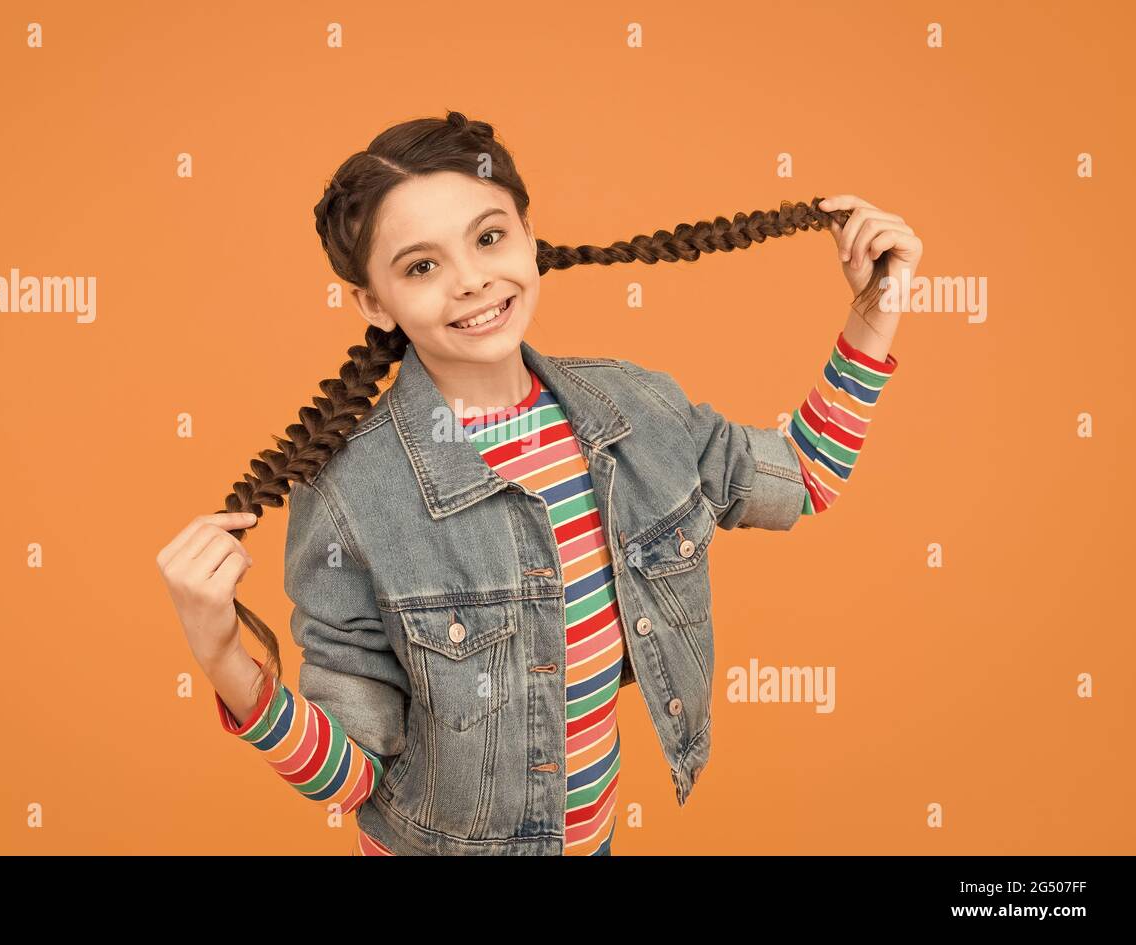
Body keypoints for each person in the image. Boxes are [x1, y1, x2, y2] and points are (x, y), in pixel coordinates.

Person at [155, 110, 920, 855]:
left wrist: (874, 311)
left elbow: (805, 476)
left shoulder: (637, 409)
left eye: (489, 237)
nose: (472, 281)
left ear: (528, 235)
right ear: (373, 302)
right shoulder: (353, 495)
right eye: (422, 266)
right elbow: (349, 777)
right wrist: (223, 653)